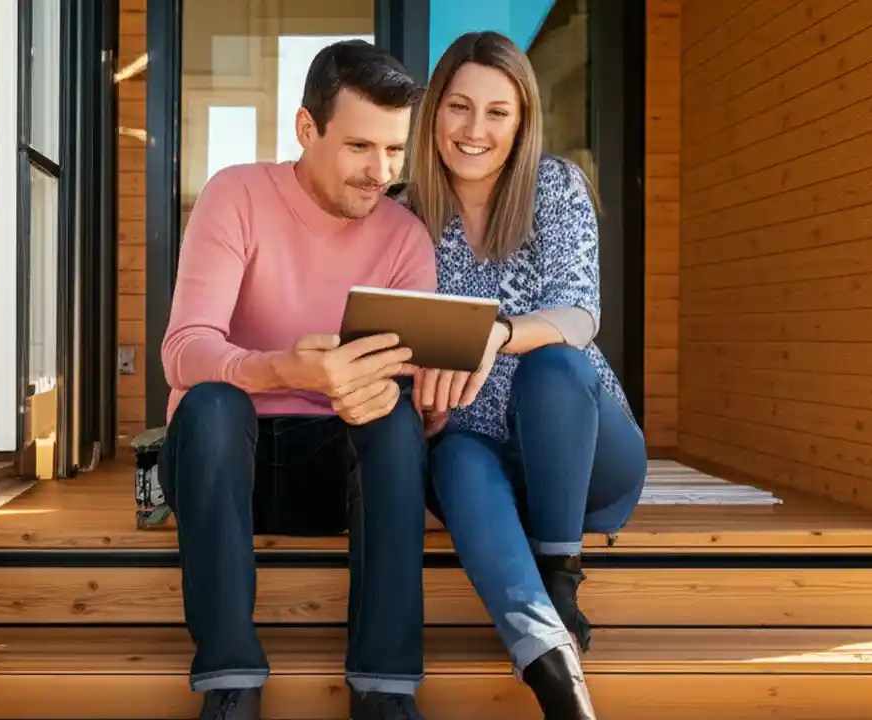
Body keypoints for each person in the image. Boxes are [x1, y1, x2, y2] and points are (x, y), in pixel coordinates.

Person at [157, 40, 435, 720]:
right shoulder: (238, 194)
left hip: (335, 475)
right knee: (216, 403)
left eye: (395, 152)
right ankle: (230, 683)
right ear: (307, 129)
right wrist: (282, 368)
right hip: (224, 469)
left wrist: (400, 391)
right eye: (360, 147)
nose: (381, 172)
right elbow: (183, 350)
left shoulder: (405, 239)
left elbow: (416, 389)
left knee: (394, 415)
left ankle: (384, 690)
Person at [404, 31, 650, 720]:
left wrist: (496, 336)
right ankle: (555, 677)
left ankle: (560, 572)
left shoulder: (556, 186)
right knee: (451, 458)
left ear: (522, 121)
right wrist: (419, 404)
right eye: (458, 107)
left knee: (552, 362)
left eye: (496, 112)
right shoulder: (405, 214)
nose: (474, 130)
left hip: (585, 450)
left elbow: (580, 313)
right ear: (433, 115)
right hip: (476, 447)